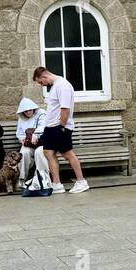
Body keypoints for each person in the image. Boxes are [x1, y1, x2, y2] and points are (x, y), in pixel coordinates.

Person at [32, 66, 89, 194]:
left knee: (67, 154)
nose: (42, 85)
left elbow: (65, 109)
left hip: (60, 127)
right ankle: (57, 184)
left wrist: (61, 127)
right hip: (50, 128)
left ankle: (81, 181)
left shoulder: (62, 86)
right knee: (48, 152)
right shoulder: (55, 85)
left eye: (41, 82)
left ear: (45, 77)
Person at [14, 97, 51, 195]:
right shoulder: (21, 118)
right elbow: (19, 132)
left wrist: (36, 135)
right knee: (24, 153)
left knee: (39, 152)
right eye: (26, 111)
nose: (28, 112)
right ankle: (22, 179)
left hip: (42, 142)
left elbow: (43, 125)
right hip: (29, 144)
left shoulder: (41, 113)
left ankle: (43, 178)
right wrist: (22, 139)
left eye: (30, 110)